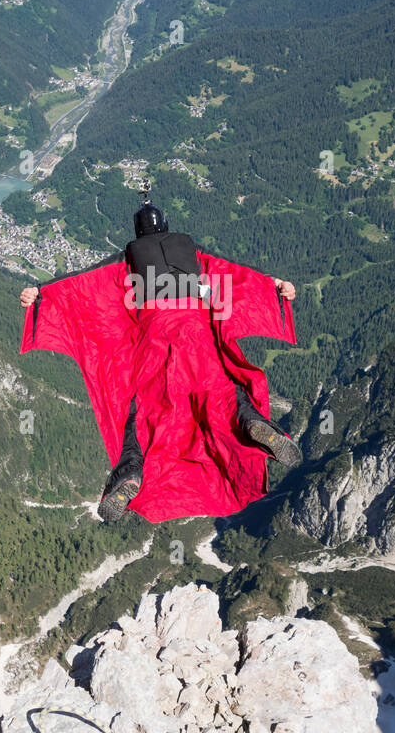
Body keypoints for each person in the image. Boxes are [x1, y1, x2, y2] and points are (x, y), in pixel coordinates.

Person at [20, 199, 299, 524]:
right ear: (165, 226)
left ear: (138, 233)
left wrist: (39, 293)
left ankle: (130, 469)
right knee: (223, 389)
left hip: (155, 337)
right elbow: (234, 273)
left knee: (136, 410)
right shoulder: (193, 252)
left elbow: (83, 282)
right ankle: (251, 420)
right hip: (196, 332)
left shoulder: (129, 258)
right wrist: (275, 286)